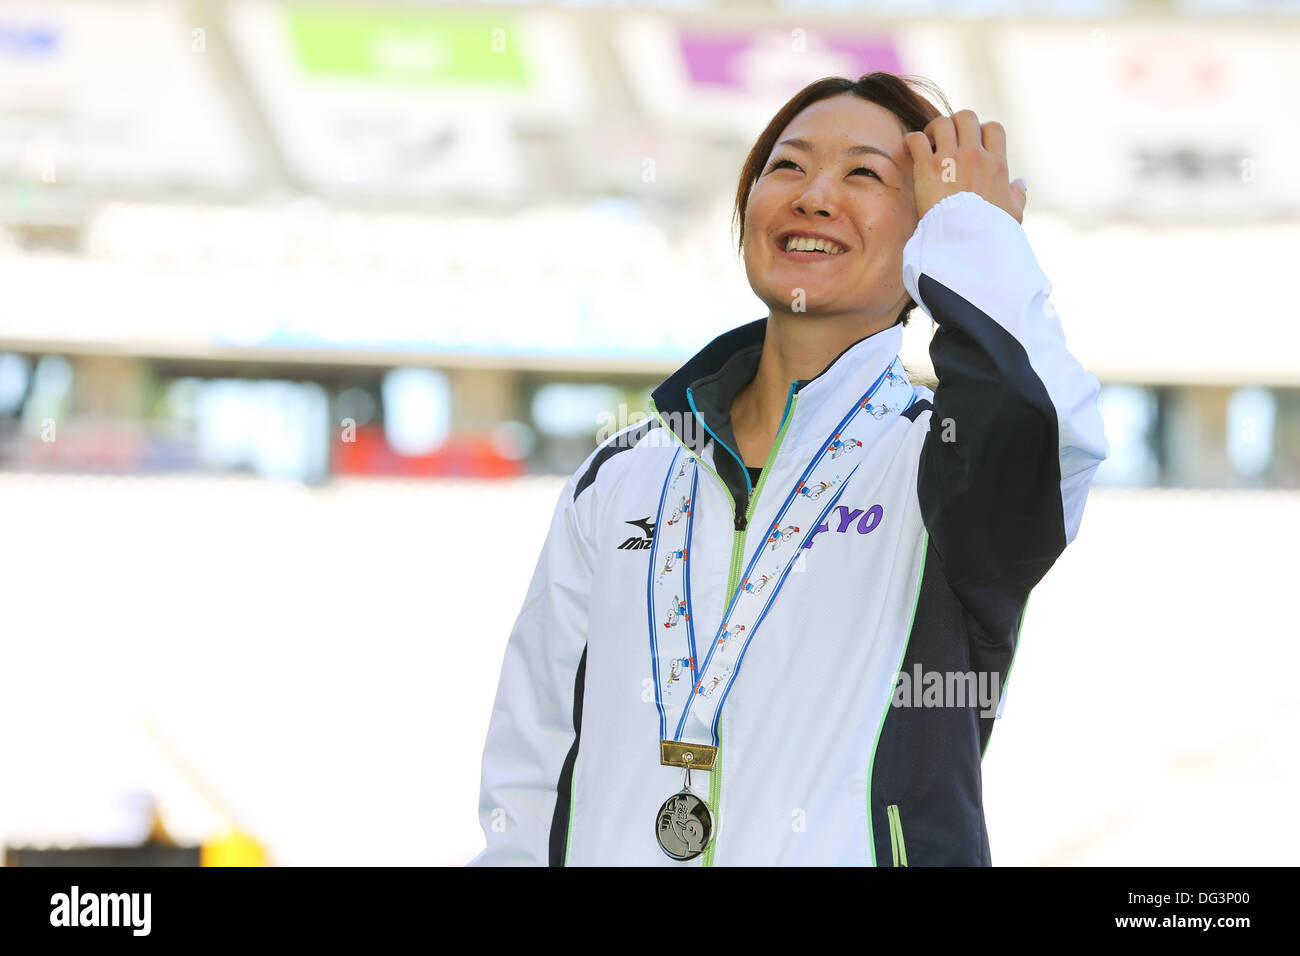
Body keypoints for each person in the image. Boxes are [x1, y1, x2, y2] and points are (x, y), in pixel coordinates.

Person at [467, 71, 1109, 866]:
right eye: (788, 166)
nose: (814, 196)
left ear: (927, 234)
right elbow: (530, 771)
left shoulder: (943, 466)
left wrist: (976, 234)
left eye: (864, 174)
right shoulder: (621, 474)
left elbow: (1046, 424)